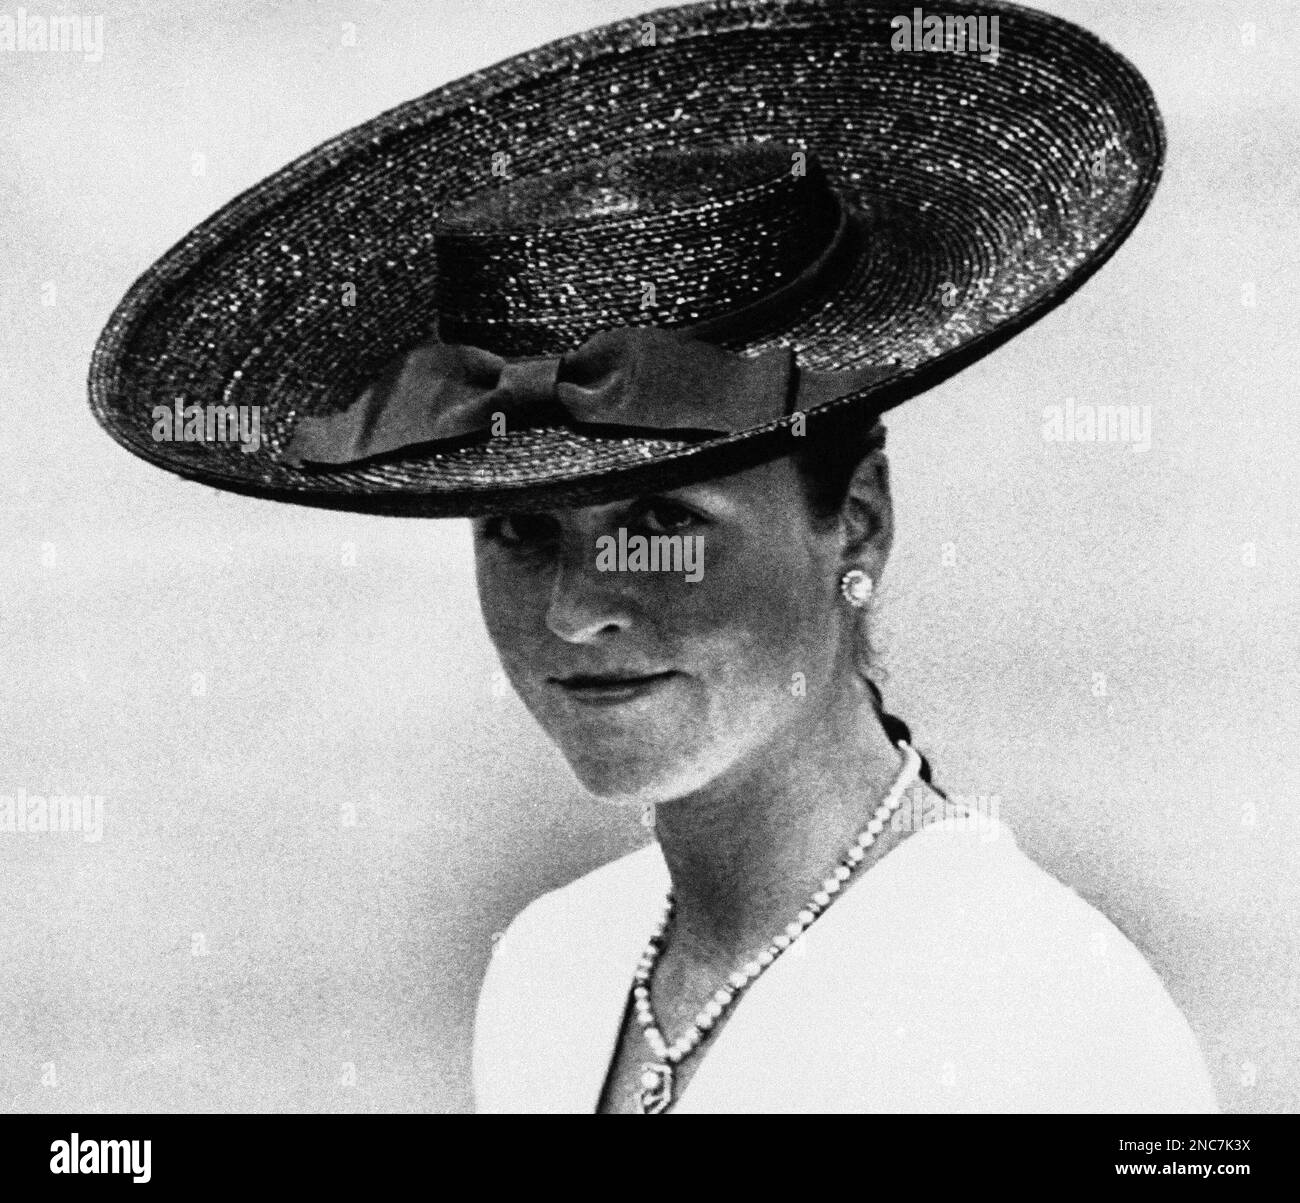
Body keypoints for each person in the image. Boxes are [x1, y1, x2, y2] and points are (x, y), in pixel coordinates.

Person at [88, 1, 1215, 1113]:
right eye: (524, 533)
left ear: (856, 523)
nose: (577, 612)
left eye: (665, 522)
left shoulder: (1046, 1018)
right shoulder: (552, 970)